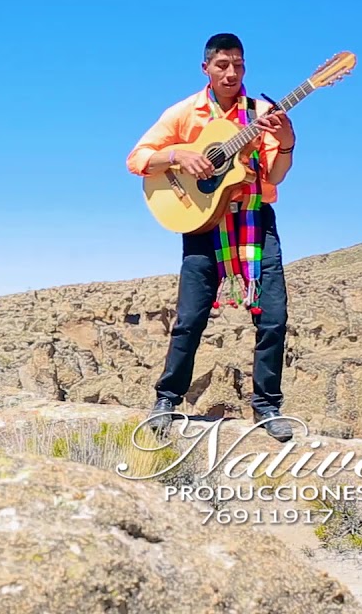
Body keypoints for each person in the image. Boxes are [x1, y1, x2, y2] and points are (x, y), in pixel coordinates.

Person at [125, 33, 296, 442]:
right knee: (189, 319)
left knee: (273, 318)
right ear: (207, 68)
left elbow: (273, 176)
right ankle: (167, 398)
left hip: (255, 223)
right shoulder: (185, 112)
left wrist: (286, 139)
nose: (232, 72)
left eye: (238, 64)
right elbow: (137, 159)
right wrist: (178, 155)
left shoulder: (261, 112)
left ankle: (266, 406)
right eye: (223, 65)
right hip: (203, 223)